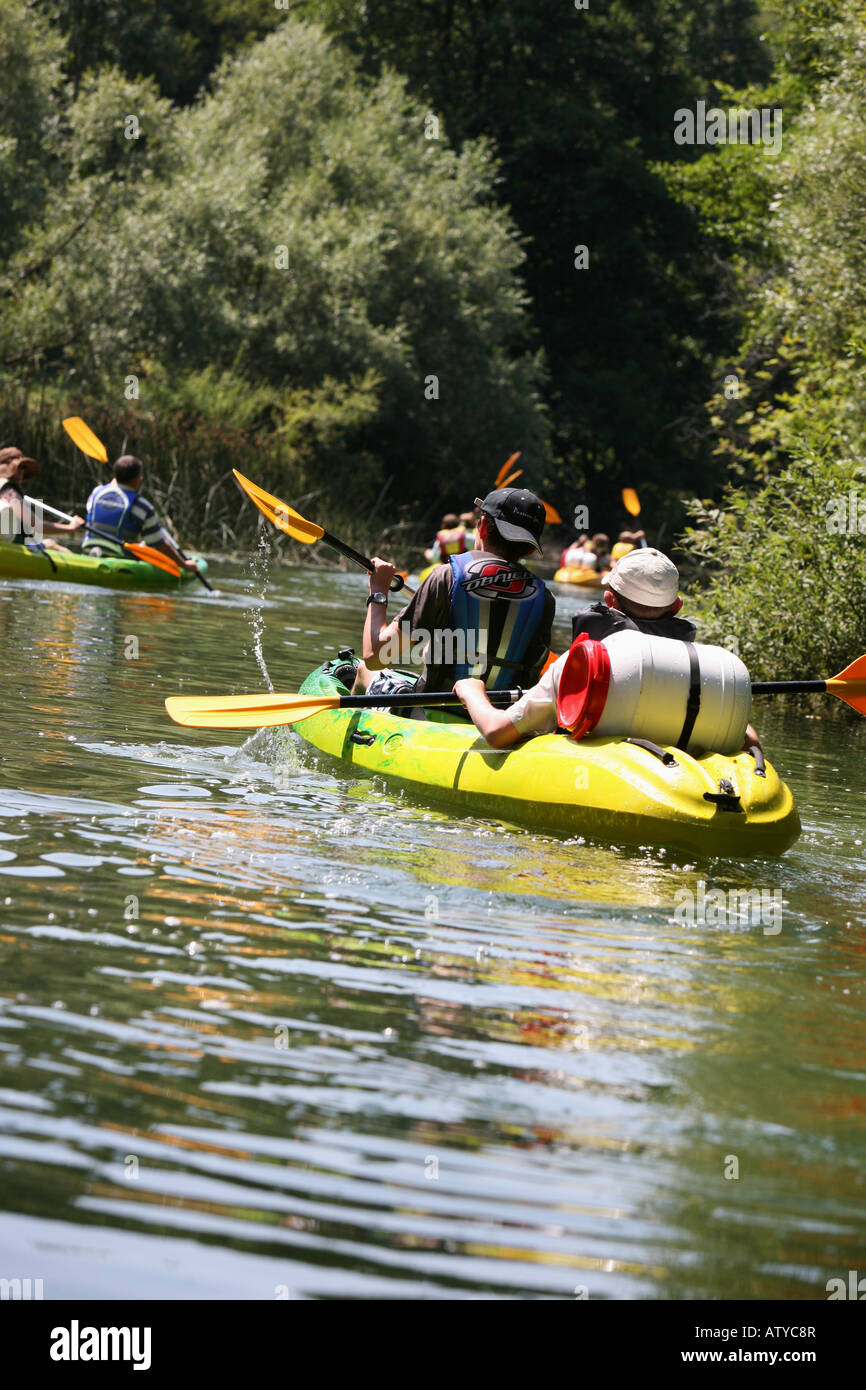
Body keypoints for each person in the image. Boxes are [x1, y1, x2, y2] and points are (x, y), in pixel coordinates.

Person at [455, 546, 762, 753]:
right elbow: (748, 739)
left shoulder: (587, 662)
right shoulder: (715, 669)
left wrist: (472, 691)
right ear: (677, 606)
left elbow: (496, 734)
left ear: (609, 600)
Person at [356, 486, 556, 707]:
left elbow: (375, 656)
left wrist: (379, 590)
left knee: (363, 669)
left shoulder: (445, 576)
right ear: (529, 550)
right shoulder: (545, 599)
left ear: (482, 528)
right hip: (500, 719)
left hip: (432, 713)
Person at [83, 455, 198, 572]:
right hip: (120, 560)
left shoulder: (96, 493)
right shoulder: (142, 506)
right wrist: (184, 565)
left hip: (89, 551)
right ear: (137, 479)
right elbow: (160, 545)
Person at [0, 447, 84, 550]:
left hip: (7, 547)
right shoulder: (10, 492)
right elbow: (37, 525)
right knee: (52, 544)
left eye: (24, 468)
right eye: (20, 467)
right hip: (12, 549)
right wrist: (70, 527)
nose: (22, 472)